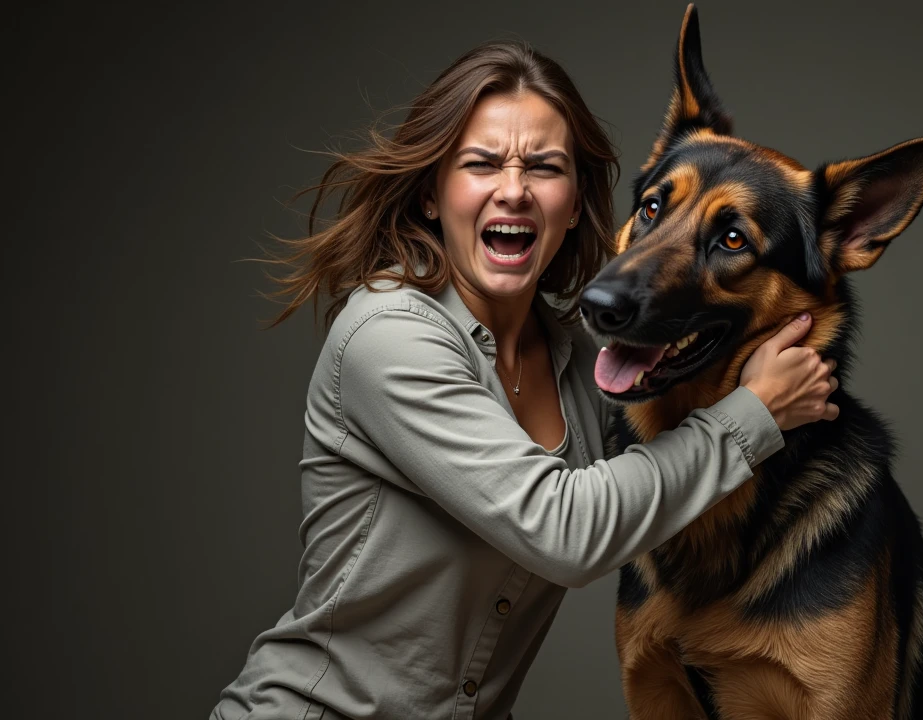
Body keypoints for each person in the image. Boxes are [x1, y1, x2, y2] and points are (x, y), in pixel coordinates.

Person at [211, 40, 838, 720]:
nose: (513, 189)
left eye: (544, 167)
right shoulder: (387, 335)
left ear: (573, 206)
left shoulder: (577, 358)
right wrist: (755, 413)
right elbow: (564, 529)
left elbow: (663, 483)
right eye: (480, 164)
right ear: (430, 194)